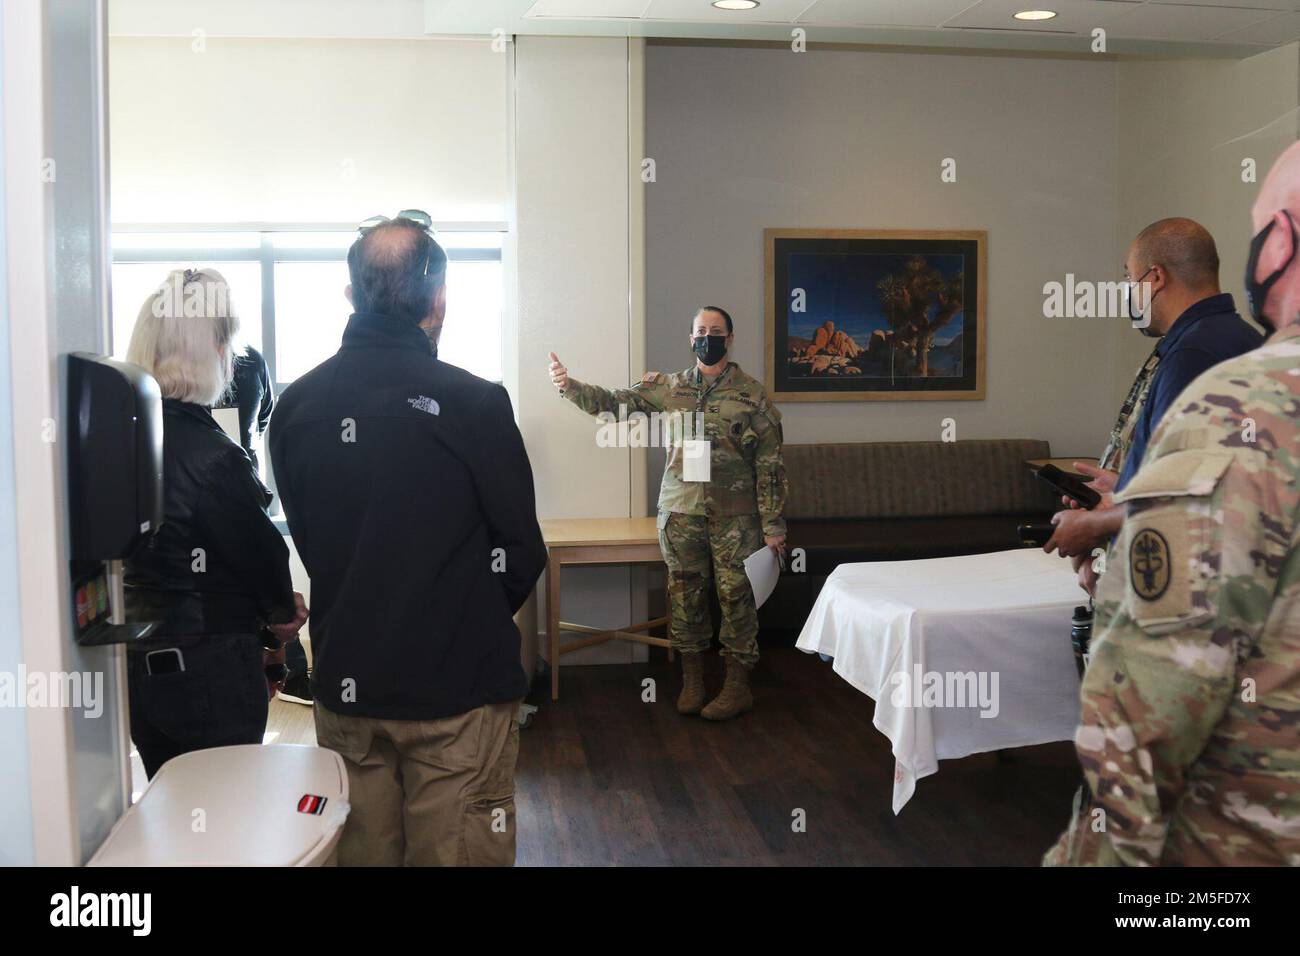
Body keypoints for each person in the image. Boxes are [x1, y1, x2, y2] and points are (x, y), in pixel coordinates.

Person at [1045, 143, 1300, 866]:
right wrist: (1124, 488)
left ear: (1279, 242)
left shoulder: (1218, 369)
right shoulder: (1227, 344)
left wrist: (1099, 525)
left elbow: (1156, 696)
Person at [270, 212, 546, 867]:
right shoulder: (475, 403)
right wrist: (463, 614)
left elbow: (312, 540)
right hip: (458, 690)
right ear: (438, 300)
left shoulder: (295, 408)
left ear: (350, 296)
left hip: (349, 682)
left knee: (363, 854)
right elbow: (521, 550)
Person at [549, 306, 787, 720]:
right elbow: (615, 404)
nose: (708, 338)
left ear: (730, 339)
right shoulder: (669, 387)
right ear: (691, 338)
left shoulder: (752, 394)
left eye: (716, 331)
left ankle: (736, 687)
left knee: (737, 600)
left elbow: (770, 465)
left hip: (736, 519)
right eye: (701, 331)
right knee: (685, 596)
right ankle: (693, 681)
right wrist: (569, 386)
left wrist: (773, 525)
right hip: (681, 513)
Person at [123, 268, 307, 778]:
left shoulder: (117, 441)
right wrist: (279, 624)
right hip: (210, 670)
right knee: (228, 805)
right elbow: (263, 560)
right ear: (216, 351)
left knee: (170, 799)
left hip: (137, 668)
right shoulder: (217, 457)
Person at [1044, 218, 1262, 593]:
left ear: (1156, 277)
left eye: (1130, 279)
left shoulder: (1193, 355)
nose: (1128, 292)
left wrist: (1095, 524)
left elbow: (1185, 500)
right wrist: (1124, 487)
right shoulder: (1238, 338)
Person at [216, 344, 314, 706]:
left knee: (266, 585)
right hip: (232, 494)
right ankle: (282, 671)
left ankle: (285, 670)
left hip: (242, 492)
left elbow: (260, 421)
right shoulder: (250, 362)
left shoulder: (251, 362)